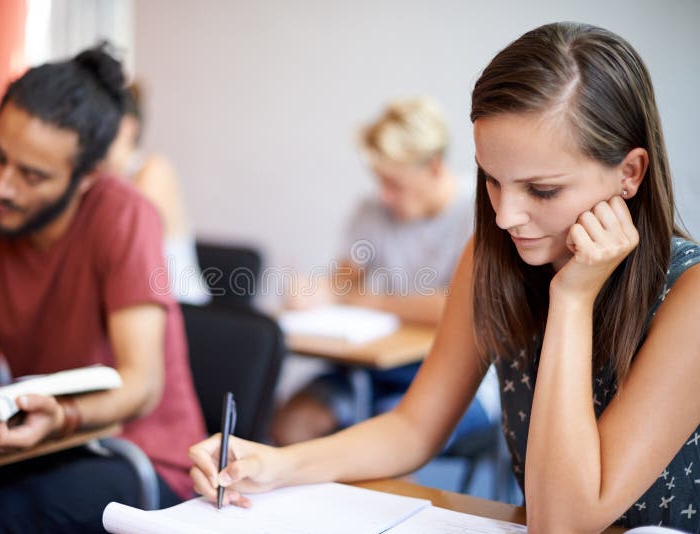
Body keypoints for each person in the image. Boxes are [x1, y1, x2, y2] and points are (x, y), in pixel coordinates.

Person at [189, 22, 700, 532]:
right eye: (492, 181)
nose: (505, 217)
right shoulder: (492, 256)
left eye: (542, 191)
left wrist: (570, 300)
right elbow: (413, 429)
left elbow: (562, 523)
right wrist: (274, 465)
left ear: (630, 173)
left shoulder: (690, 294)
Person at [0, 44, 206, 533]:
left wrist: (63, 415)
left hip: (141, 457)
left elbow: (142, 386)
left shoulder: (124, 217)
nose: (1, 187)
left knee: (6, 520)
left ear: (85, 178)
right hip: (44, 442)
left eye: (32, 175)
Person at [271, 96, 498, 448]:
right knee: (292, 423)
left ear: (435, 167)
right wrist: (315, 293)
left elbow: (456, 310)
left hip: (463, 379)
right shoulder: (373, 210)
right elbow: (344, 280)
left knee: (386, 438)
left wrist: (368, 301)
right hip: (372, 372)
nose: (384, 195)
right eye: (379, 181)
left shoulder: (480, 211)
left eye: (395, 183)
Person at [101, 83, 210, 305]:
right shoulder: (102, 177)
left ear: (128, 126)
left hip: (180, 305)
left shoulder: (154, 168)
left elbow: (127, 239)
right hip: (135, 300)